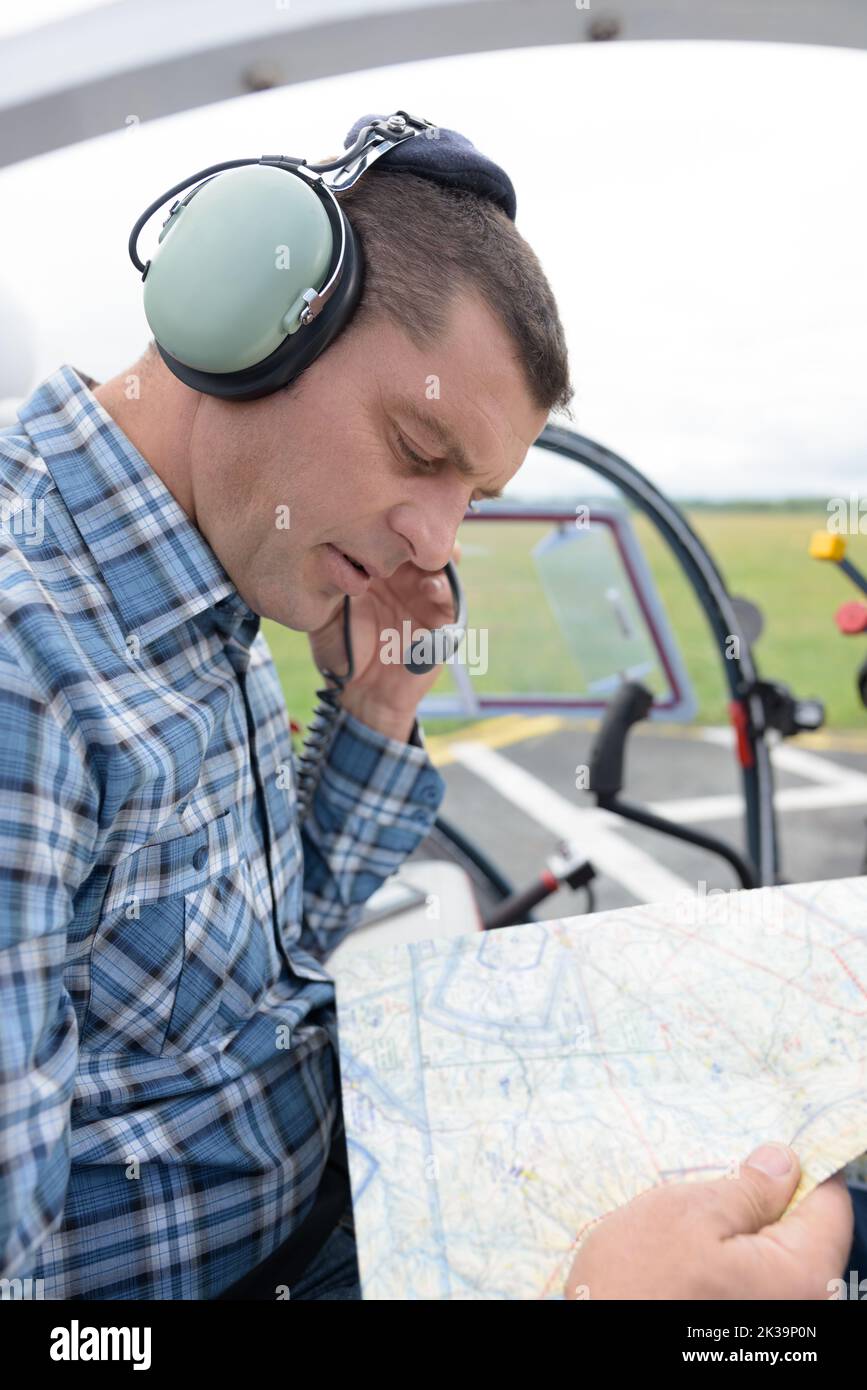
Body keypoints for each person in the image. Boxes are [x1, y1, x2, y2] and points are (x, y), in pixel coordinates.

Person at [0, 113, 859, 1303]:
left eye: (473, 493)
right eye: (417, 447)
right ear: (242, 326)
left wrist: (377, 708)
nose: (438, 541)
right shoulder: (23, 662)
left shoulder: (211, 576)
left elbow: (263, 960)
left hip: (340, 1191)